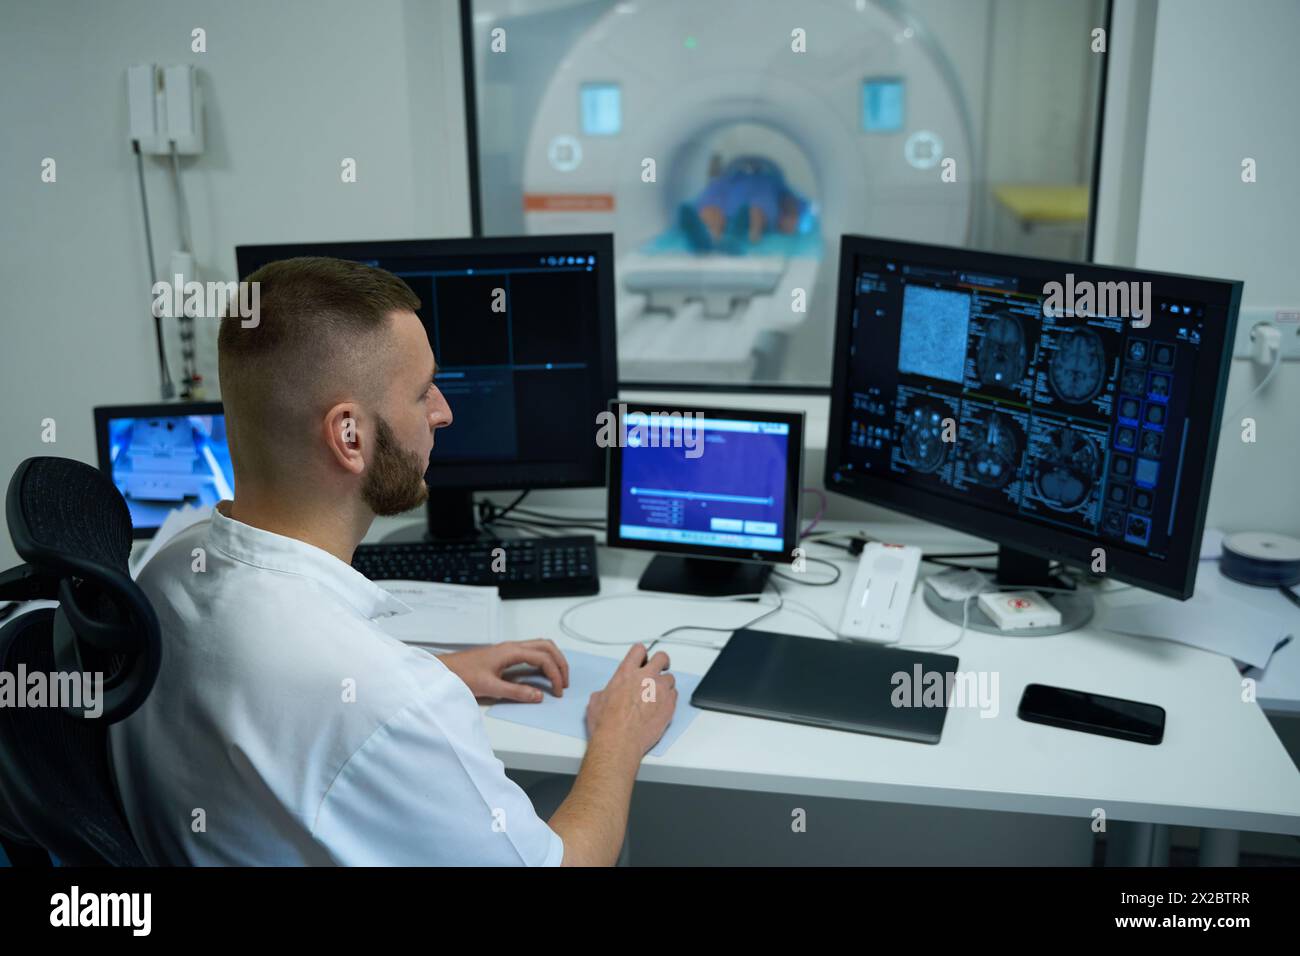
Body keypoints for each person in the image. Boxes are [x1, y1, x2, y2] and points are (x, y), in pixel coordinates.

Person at [108, 256, 678, 865]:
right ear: (349, 436)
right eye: (421, 390)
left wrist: (440, 674)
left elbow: (275, 708)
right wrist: (618, 738)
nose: (443, 411)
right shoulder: (393, 699)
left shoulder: (168, 568)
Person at [679, 154, 808, 252]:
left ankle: (739, 237)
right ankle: (708, 237)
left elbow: (789, 202)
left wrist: (791, 216)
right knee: (711, 209)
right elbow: (789, 202)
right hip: (729, 194)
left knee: (755, 212)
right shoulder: (726, 179)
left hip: (755, 202)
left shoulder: (772, 181)